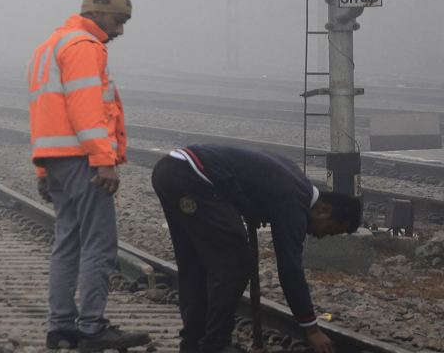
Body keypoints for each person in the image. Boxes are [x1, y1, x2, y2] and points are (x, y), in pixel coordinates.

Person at [28, 0, 149, 352]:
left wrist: (44, 171)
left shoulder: (49, 46)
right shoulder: (83, 47)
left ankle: (61, 327)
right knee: (100, 245)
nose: (119, 30)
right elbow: (85, 110)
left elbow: (44, 113)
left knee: (68, 242)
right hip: (82, 159)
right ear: (95, 14)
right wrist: (104, 161)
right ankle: (93, 329)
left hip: (56, 159)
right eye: (117, 20)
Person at [151, 144, 363, 353]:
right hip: (194, 176)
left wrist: (254, 208)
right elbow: (290, 270)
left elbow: (248, 179)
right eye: (329, 230)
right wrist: (312, 329)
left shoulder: (296, 180)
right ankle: (215, 345)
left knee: (195, 264)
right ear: (324, 210)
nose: (321, 236)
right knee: (237, 261)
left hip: (171, 169)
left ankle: (192, 345)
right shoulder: (295, 202)